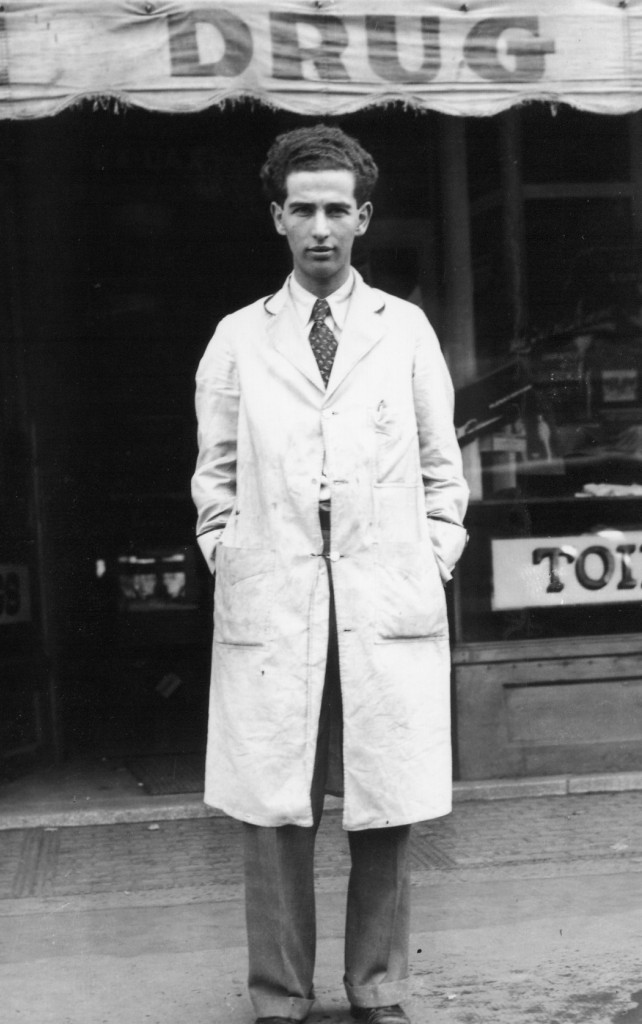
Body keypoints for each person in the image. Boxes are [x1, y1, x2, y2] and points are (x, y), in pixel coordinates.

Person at [191, 125, 469, 1024]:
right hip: (275, 596)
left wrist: (431, 557)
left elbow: (441, 471)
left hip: (383, 593)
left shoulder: (407, 330)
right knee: (276, 813)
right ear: (278, 217)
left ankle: (378, 987)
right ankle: (279, 995)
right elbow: (216, 477)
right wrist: (230, 550)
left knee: (384, 806)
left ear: (364, 218)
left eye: (336, 210)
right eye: (302, 209)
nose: (320, 227)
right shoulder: (238, 338)